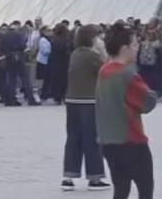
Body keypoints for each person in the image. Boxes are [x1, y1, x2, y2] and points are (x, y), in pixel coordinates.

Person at [96, 22, 157, 199]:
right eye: (135, 44)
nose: (137, 48)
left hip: (109, 140)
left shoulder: (104, 69)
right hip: (131, 140)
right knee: (145, 188)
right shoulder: (126, 74)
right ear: (125, 48)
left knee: (121, 189)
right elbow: (147, 103)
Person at [62, 24, 109, 191]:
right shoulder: (91, 55)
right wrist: (102, 50)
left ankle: (68, 176)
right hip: (89, 101)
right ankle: (95, 178)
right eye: (99, 37)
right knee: (93, 139)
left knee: (73, 138)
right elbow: (109, 69)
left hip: (72, 100)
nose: (101, 40)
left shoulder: (76, 54)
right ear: (92, 38)